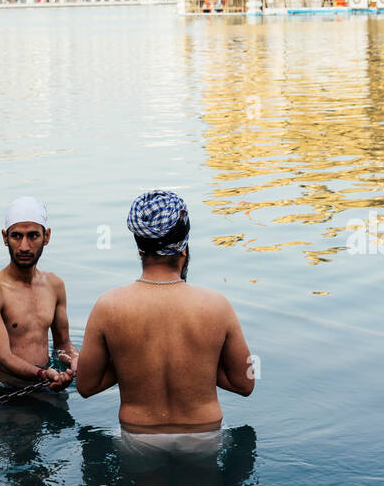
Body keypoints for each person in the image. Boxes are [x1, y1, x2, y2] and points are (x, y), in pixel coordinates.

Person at [76, 190, 253, 453]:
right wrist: (197, 363)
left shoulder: (108, 306)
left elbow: (86, 386)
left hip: (140, 437)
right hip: (203, 435)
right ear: (184, 246)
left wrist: (130, 361)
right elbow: (245, 383)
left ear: (139, 248)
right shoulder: (216, 305)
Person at [0, 197, 78, 397]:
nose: (24, 247)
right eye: (16, 236)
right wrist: (42, 374)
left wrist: (74, 360)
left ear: (46, 236)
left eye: (33, 236)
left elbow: (62, 343)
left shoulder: (55, 285)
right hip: (3, 392)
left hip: (45, 384)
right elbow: (3, 357)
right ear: (5, 238)